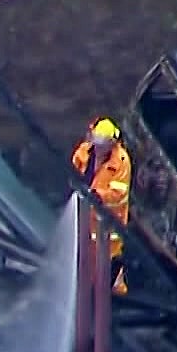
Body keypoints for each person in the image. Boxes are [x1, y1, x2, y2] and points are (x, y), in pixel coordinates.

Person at [71, 118, 133, 296]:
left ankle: (110, 291)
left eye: (102, 144)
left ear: (112, 143)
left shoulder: (121, 162)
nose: (98, 148)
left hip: (108, 224)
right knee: (85, 260)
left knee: (107, 262)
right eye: (96, 143)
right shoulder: (84, 151)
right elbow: (74, 169)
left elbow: (119, 194)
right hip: (86, 218)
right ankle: (87, 290)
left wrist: (97, 195)